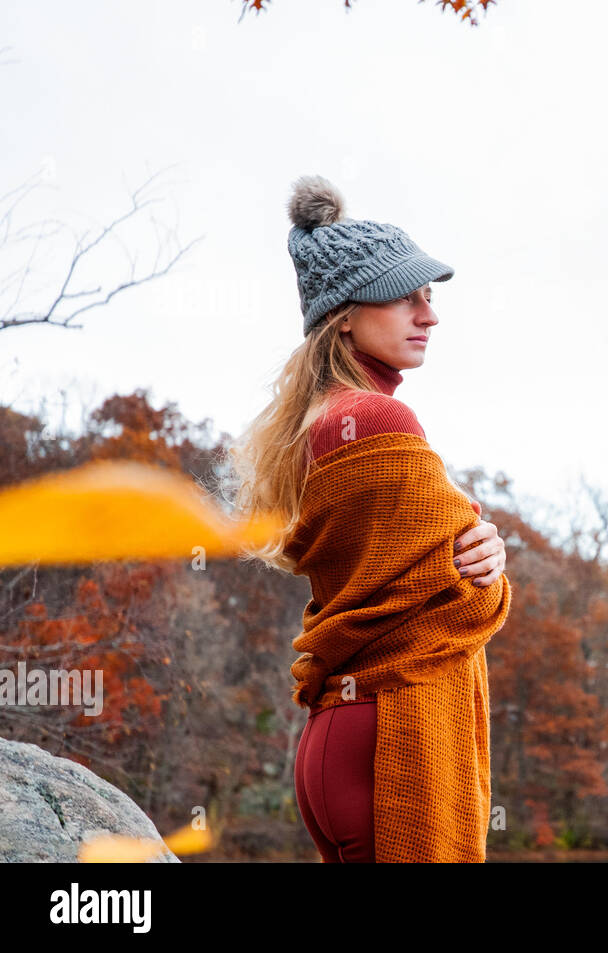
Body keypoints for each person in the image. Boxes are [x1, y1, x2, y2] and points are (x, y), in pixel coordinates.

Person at [222, 175, 510, 862]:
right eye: (405, 294)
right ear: (344, 314)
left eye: (430, 296)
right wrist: (490, 566)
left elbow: (418, 562)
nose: (428, 314)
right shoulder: (378, 418)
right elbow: (456, 599)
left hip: (336, 739)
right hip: (389, 736)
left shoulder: (317, 422)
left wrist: (478, 538)